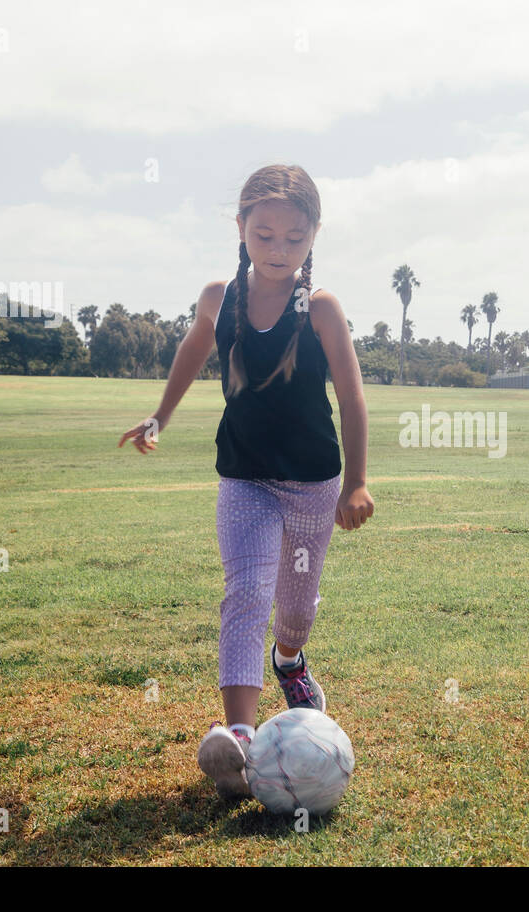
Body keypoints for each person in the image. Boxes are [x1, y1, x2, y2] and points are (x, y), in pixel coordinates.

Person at [118, 165, 374, 801]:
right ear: (240, 229)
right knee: (246, 591)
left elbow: (351, 393)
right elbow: (191, 353)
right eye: (264, 235)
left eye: (293, 237)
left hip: (314, 481)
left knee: (294, 607)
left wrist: (357, 483)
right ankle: (237, 737)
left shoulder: (319, 309)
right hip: (244, 475)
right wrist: (160, 416)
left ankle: (290, 661)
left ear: (314, 236)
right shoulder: (219, 298)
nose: (278, 249)